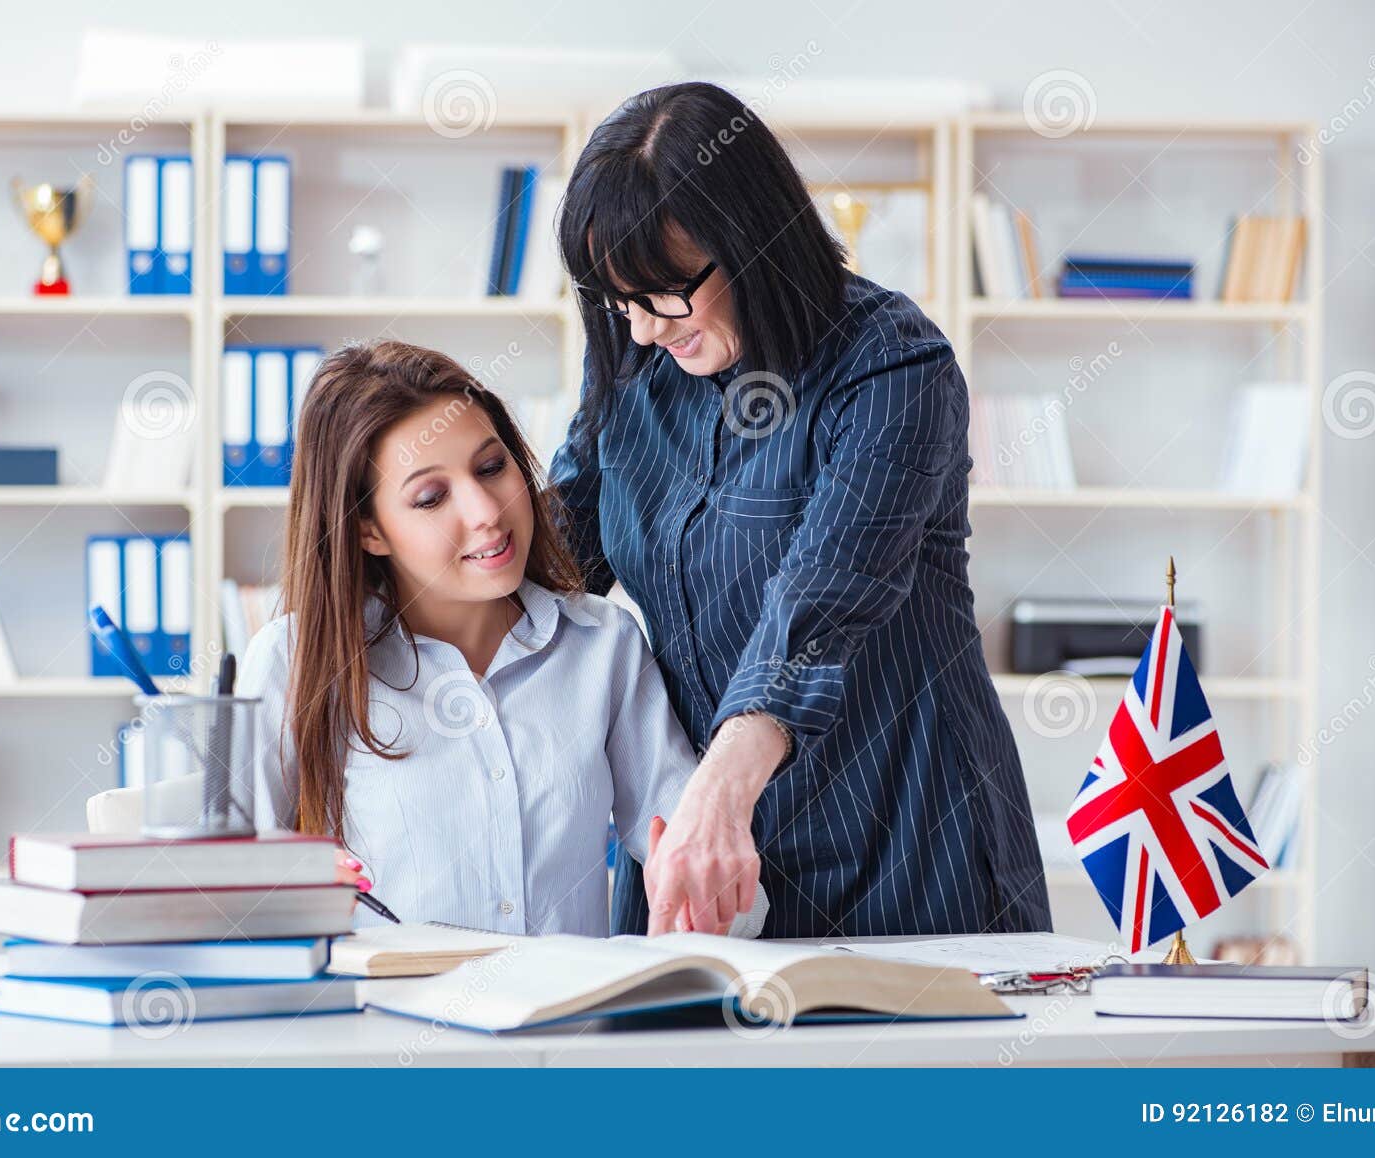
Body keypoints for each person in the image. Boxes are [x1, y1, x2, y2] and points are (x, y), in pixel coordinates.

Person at [550, 81, 1052, 938]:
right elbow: (557, 559)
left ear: (749, 241)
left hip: (905, 842)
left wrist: (719, 790)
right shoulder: (635, 367)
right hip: (707, 856)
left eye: (665, 292)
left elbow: (821, 598)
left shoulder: (892, 365)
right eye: (618, 300)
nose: (640, 329)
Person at [237, 338, 765, 936]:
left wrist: (708, 891)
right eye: (431, 497)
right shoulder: (294, 661)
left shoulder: (601, 643)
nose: (486, 509)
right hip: (382, 1023)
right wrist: (279, 888)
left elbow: (721, 882)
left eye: (491, 467)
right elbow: (215, 900)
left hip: (570, 1025)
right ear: (368, 532)